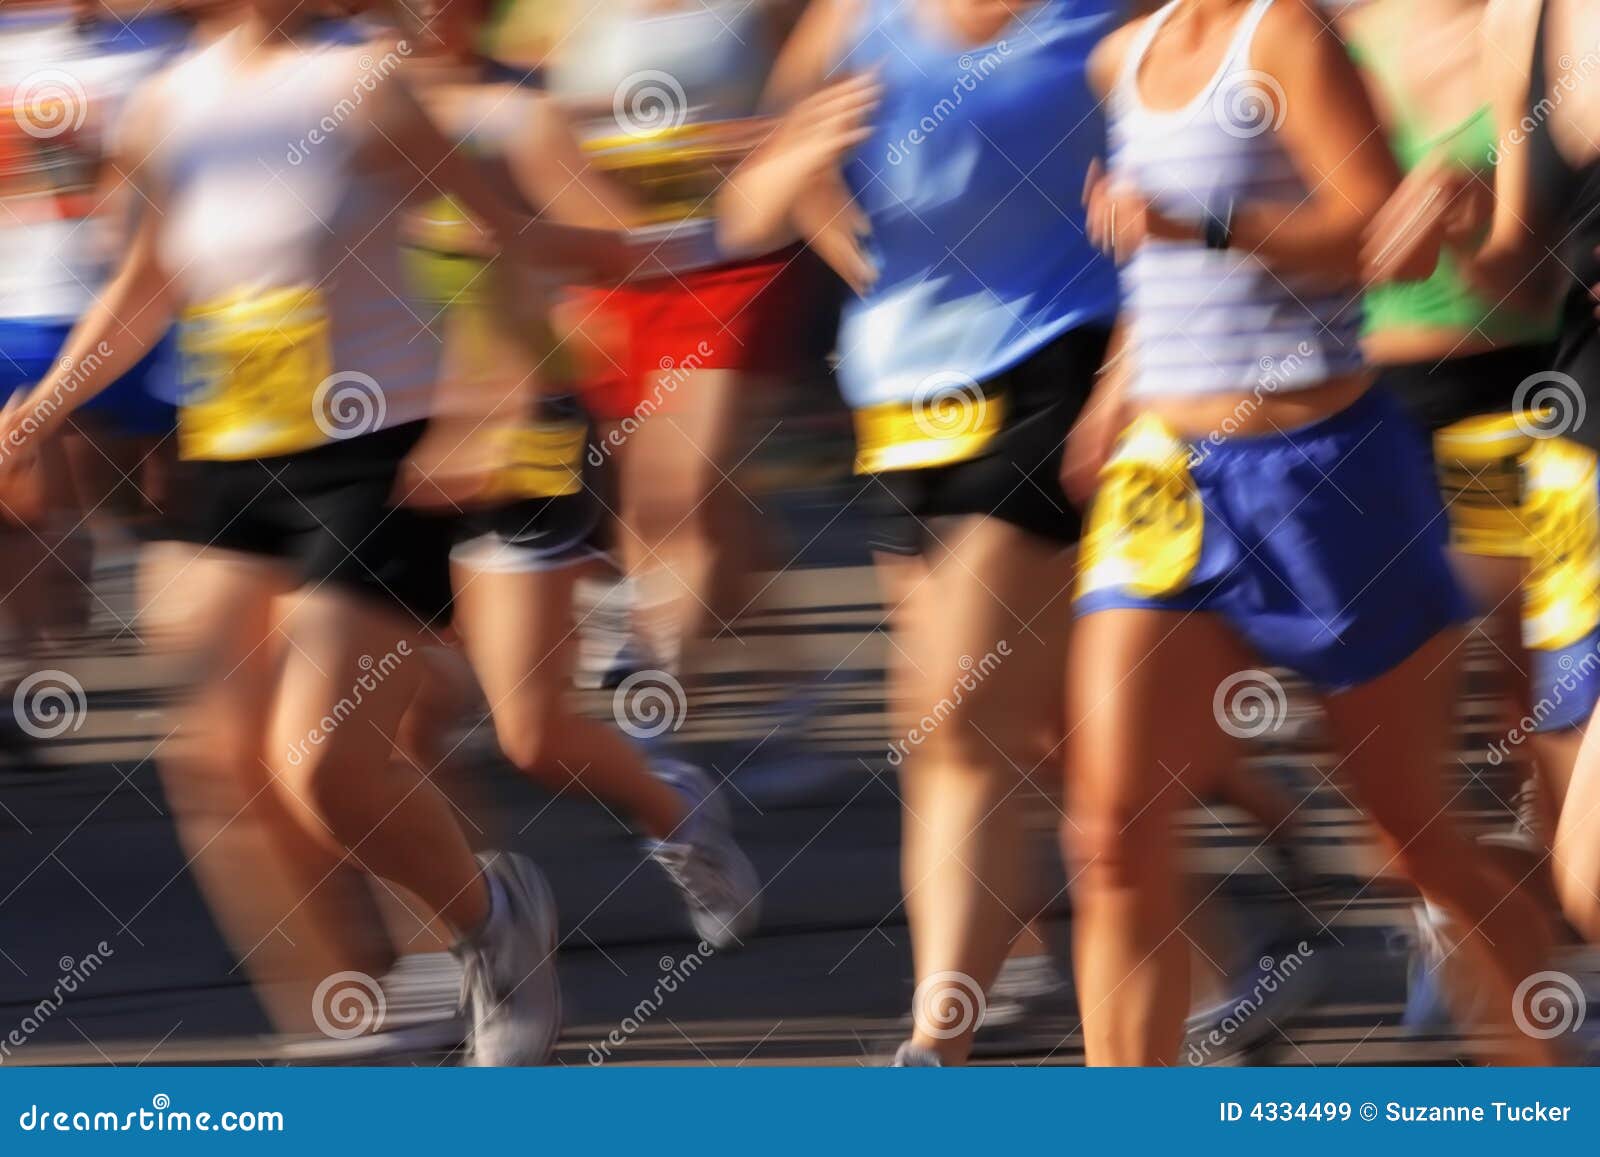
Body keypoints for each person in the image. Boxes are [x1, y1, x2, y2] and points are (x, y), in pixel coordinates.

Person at [0, 0, 669, 1065]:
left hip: (375, 461)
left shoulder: (367, 84)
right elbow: (146, 289)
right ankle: (353, 1006)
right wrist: (36, 414)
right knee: (217, 755)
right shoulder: (171, 99)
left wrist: (647, 258)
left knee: (319, 760)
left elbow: (512, 239)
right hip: (234, 455)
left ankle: (493, 917)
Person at [1063, 0, 1558, 1065]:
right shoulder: (1122, 55)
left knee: (1410, 835)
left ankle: (1550, 1084)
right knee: (1110, 839)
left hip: (1320, 469)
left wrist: (1204, 223)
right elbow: (1149, 263)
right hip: (1163, 473)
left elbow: (1374, 234)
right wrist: (1113, 388)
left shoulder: (1284, 32)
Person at [725, 0, 1122, 1066]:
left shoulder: (1103, 17)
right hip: (900, 395)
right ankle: (1219, 957)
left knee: (950, 718)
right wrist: (807, 170)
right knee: (1027, 730)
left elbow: (1191, 154)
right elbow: (744, 209)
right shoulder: (853, 18)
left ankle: (933, 1039)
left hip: (1056, 366)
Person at [396, 0, 760, 952]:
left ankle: (673, 809)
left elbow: (633, 251)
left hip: (515, 445)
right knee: (390, 725)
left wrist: (514, 235)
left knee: (529, 734)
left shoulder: (516, 122)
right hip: (369, 453)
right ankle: (470, 940)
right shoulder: (322, 128)